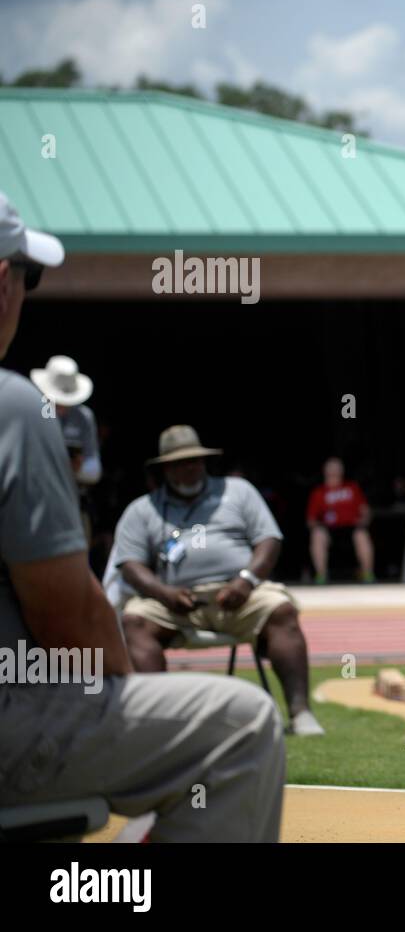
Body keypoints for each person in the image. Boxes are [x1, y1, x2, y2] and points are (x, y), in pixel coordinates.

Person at [0, 192, 285, 840]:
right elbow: (70, 621)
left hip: (70, 531)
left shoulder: (66, 418)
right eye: (29, 276)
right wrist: (117, 681)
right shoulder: (17, 406)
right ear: (1, 283)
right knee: (242, 726)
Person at [114, 426, 326, 736]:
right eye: (181, 463)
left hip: (240, 592)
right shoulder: (142, 509)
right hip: (175, 601)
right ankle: (157, 723)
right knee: (134, 620)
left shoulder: (238, 491)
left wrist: (246, 580)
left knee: (280, 609)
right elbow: (129, 563)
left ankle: (300, 712)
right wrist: (163, 593)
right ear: (165, 469)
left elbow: (269, 539)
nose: (191, 468)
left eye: (196, 461)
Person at [30, 354, 102, 488]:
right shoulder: (33, 411)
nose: (62, 406)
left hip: (69, 490)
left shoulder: (83, 416)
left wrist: (78, 469)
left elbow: (94, 470)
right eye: (57, 401)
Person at [306, 457, 375, 584]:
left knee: (362, 534)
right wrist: (319, 526)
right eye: (331, 468)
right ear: (325, 471)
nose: (334, 471)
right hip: (329, 530)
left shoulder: (352, 487)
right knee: (317, 535)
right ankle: (321, 575)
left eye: (337, 468)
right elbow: (311, 520)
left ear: (342, 471)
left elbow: (365, 510)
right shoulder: (318, 493)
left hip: (351, 527)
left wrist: (364, 521)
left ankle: (367, 573)